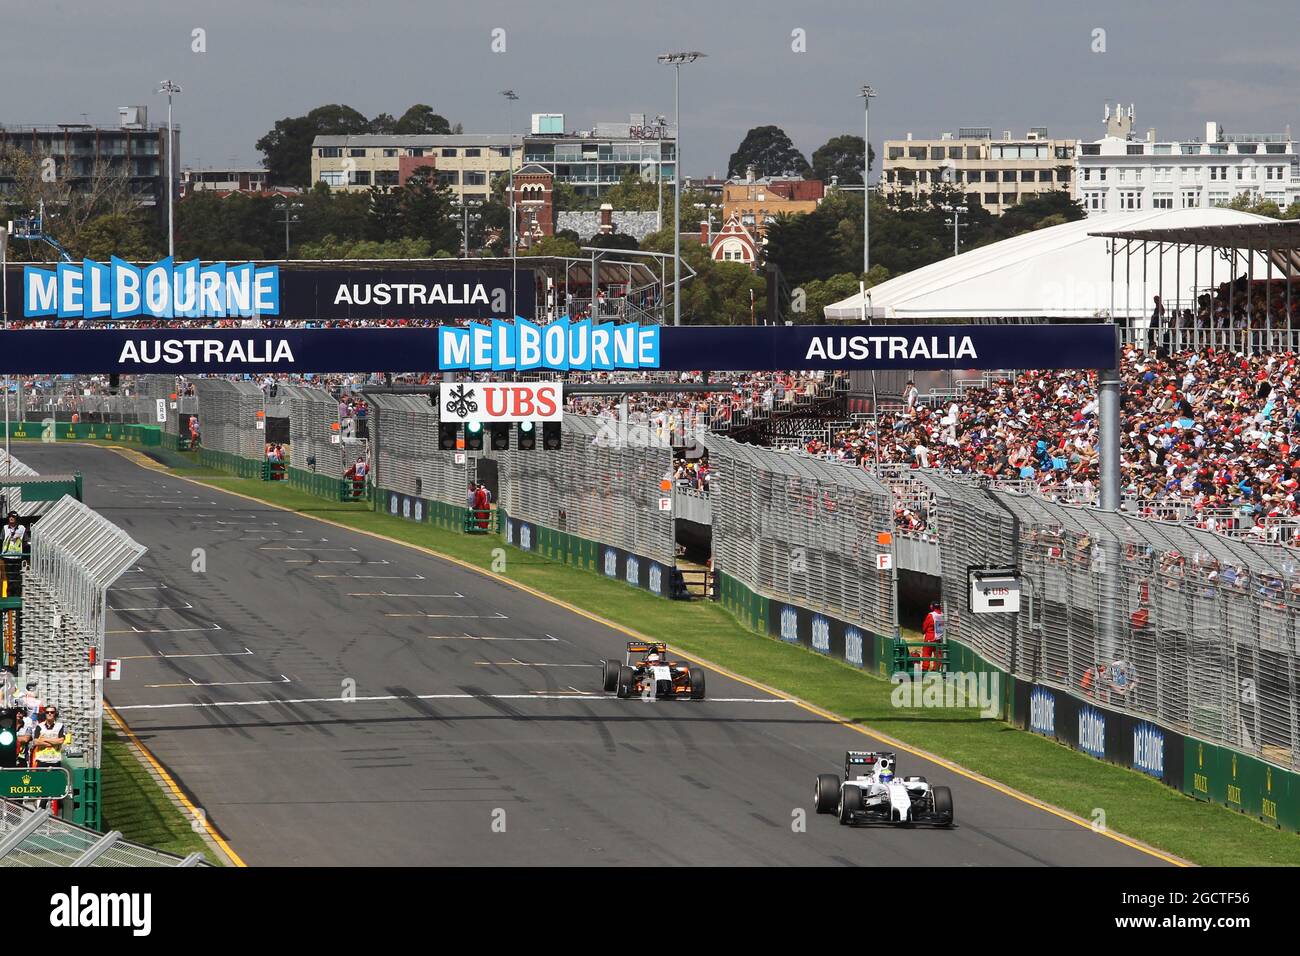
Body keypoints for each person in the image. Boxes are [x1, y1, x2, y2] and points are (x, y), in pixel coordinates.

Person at [921, 601, 944, 672]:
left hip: (930, 637)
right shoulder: (942, 615)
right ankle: (935, 669)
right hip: (939, 638)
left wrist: (923, 631)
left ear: (932, 606)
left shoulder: (931, 615)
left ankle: (925, 669)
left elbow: (925, 626)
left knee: (926, 654)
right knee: (938, 655)